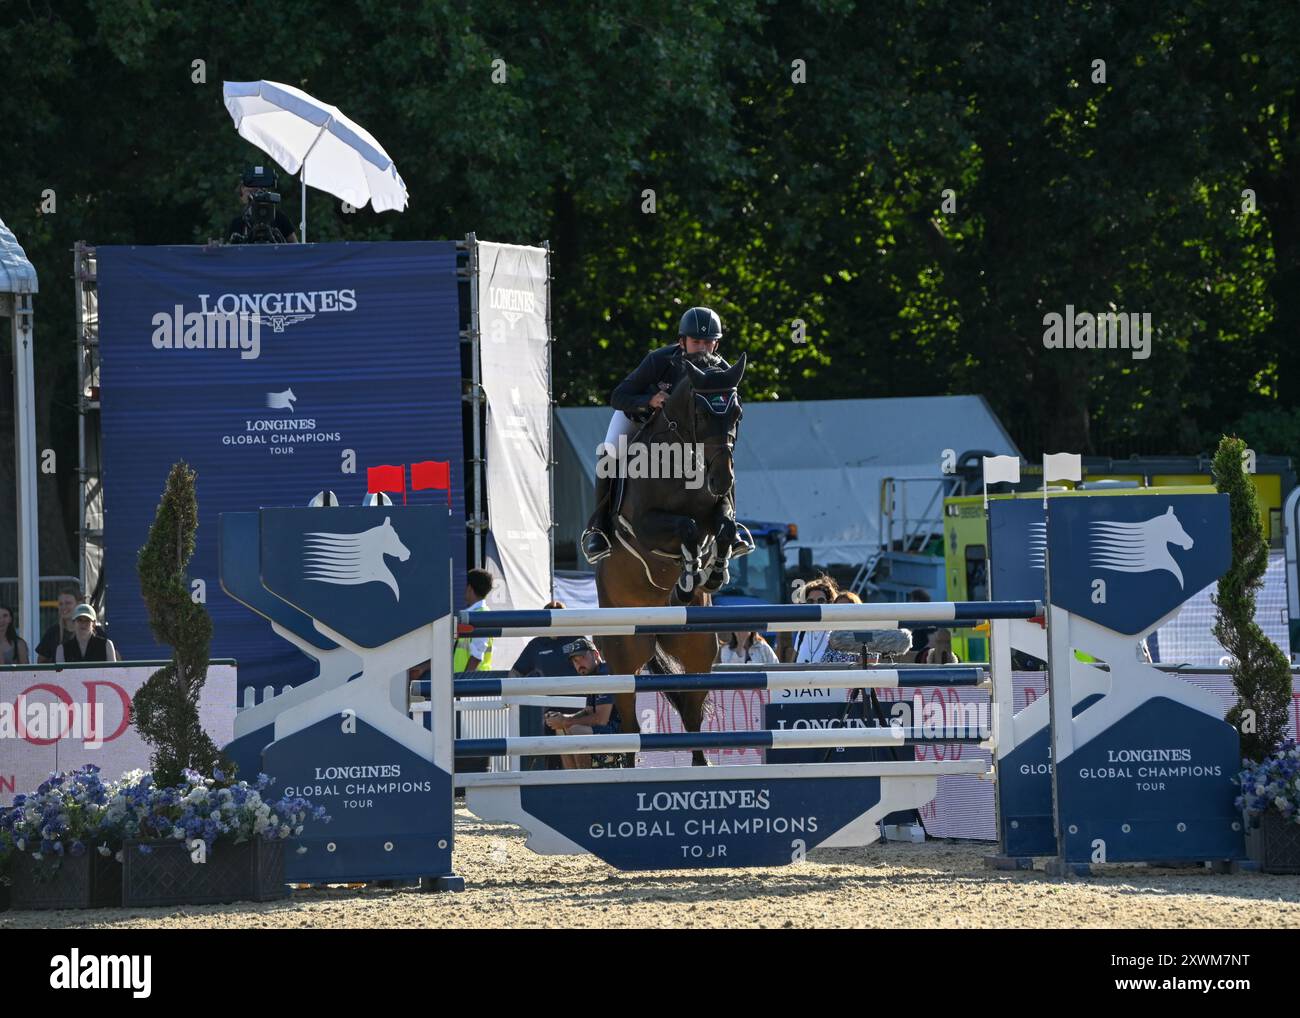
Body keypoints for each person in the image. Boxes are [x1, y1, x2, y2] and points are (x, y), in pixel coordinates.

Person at [580, 306, 752, 563]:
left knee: (722, 455)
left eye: (708, 342)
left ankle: (731, 525)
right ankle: (599, 527)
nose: (702, 348)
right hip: (639, 419)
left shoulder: (722, 370)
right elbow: (618, 396)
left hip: (693, 433)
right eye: (696, 342)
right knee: (610, 452)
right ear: (682, 341)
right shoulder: (660, 360)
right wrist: (648, 400)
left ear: (716, 344)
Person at [543, 637, 620, 769]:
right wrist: (563, 718)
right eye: (574, 660)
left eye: (582, 657)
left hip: (619, 733)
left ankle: (584, 780)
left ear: (595, 655)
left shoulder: (604, 675)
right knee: (562, 730)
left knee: (575, 730)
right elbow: (588, 712)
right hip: (607, 730)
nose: (578, 664)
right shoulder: (594, 675)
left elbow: (601, 720)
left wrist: (567, 722)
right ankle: (573, 782)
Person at [227, 166, 298, 244]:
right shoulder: (238, 223)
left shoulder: (280, 219)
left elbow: (295, 249)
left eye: (258, 191)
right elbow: (231, 253)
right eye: (250, 193)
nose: (255, 196)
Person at [509, 601, 578, 677]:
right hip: (546, 688)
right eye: (550, 619)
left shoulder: (577, 640)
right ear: (544, 621)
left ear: (565, 620)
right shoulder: (535, 644)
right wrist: (518, 687)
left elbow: (591, 666)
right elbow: (515, 672)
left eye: (558, 618)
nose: (554, 622)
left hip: (574, 688)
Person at [790, 576, 839, 663]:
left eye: (820, 600)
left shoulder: (835, 632)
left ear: (829, 603)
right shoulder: (802, 632)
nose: (815, 605)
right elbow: (793, 663)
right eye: (810, 601)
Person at [36, 586, 85, 663]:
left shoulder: (94, 632)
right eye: (60, 604)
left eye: (68, 603)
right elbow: (41, 663)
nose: (63, 607)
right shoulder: (52, 633)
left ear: (79, 604)